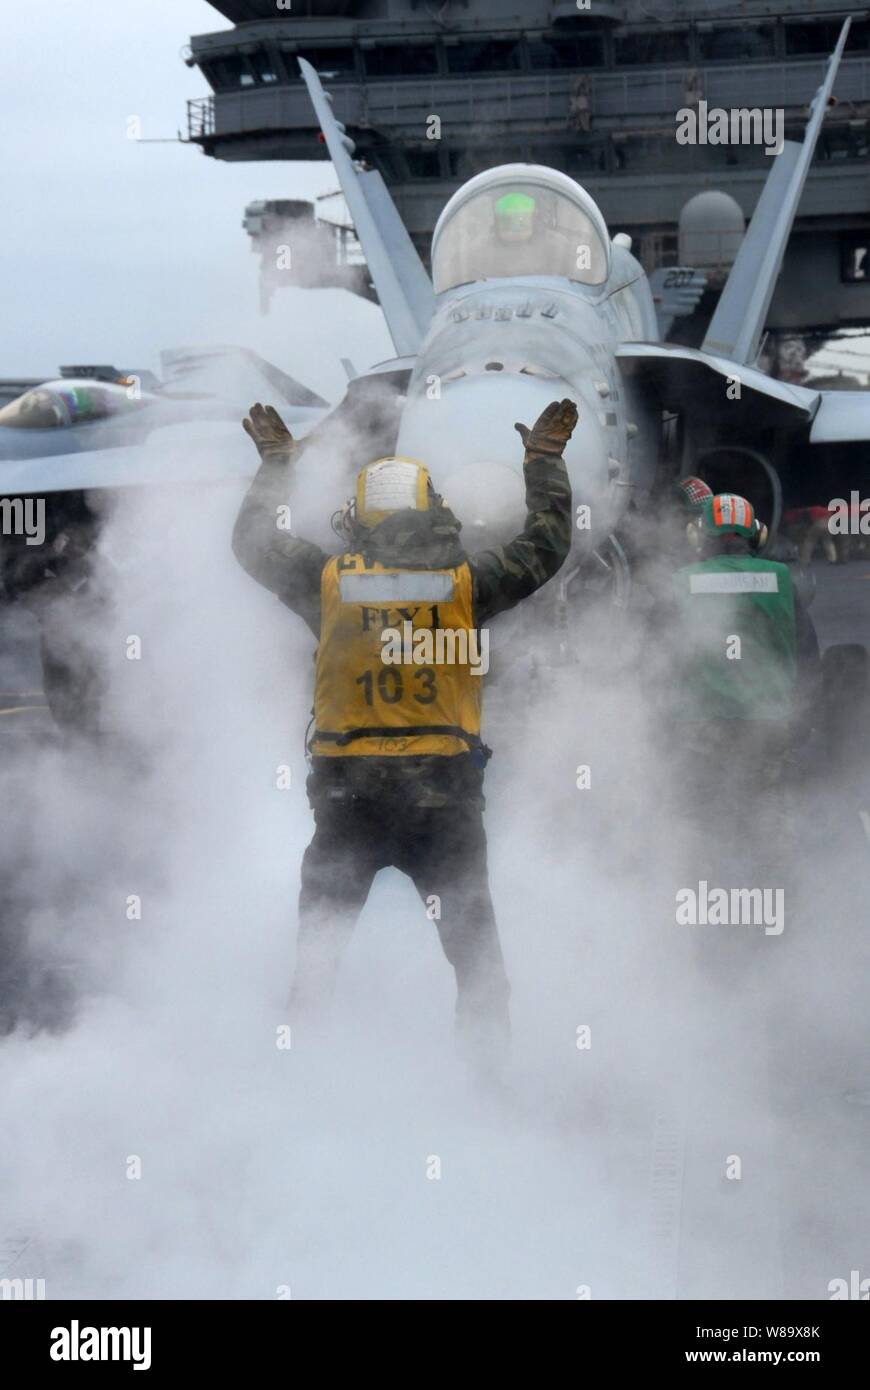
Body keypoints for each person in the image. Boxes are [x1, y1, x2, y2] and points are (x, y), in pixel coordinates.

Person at [232, 398, 577, 1072]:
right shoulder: (463, 586)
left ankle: (293, 1093)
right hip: (442, 811)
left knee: (317, 969)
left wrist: (275, 467)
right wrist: (543, 465)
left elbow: (250, 543)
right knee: (478, 972)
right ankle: (489, 1102)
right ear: (432, 512)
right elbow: (548, 543)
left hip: (346, 809)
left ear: (360, 518)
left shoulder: (328, 583)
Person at [661, 492, 820, 890]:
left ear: (701, 537)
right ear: (757, 535)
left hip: (698, 725)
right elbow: (808, 658)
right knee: (768, 810)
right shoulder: (783, 582)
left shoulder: (679, 585)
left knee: (700, 817)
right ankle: (776, 902)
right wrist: (803, 719)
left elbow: (656, 660)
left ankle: (704, 901)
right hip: (768, 720)